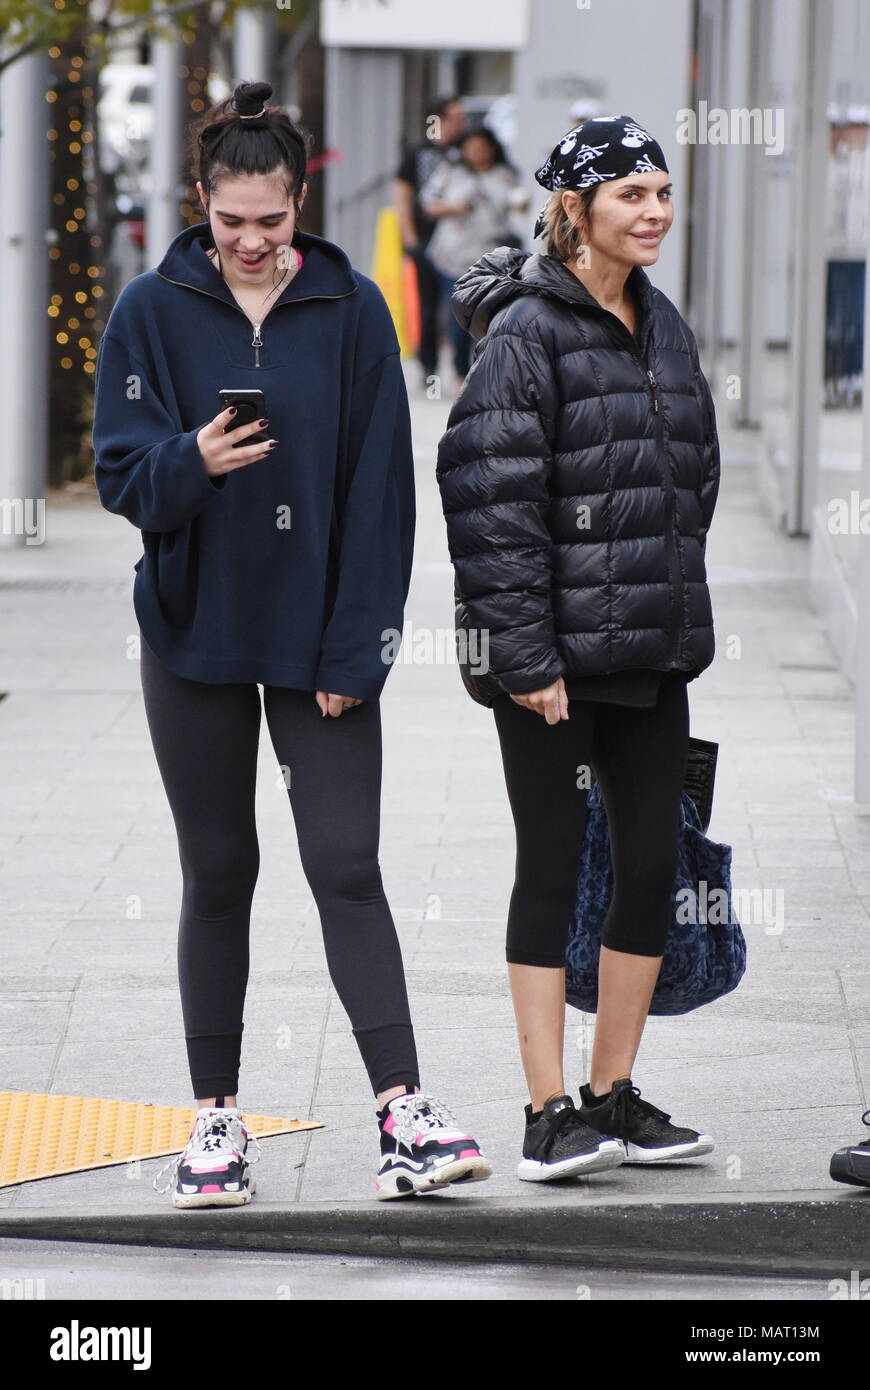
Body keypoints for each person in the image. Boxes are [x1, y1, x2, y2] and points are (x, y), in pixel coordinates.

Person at [92, 79, 491, 1206]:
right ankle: (215, 1123)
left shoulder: (354, 309)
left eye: (271, 219)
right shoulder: (148, 310)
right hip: (194, 633)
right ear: (202, 202)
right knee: (219, 872)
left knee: (347, 863)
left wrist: (359, 651)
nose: (253, 241)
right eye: (232, 222)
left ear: (299, 202)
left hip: (320, 643)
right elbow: (123, 473)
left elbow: (381, 496)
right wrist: (193, 461)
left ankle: (403, 1112)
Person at [436, 115, 721, 1182]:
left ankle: (613, 1095)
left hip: (648, 649)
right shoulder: (526, 330)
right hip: (550, 663)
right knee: (552, 869)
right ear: (577, 209)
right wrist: (526, 655)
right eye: (631, 195)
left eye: (662, 192)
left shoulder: (663, 322)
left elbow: (695, 474)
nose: (655, 212)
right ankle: (546, 1111)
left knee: (649, 868)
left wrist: (669, 604)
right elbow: (489, 496)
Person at [419, 126, 525, 390]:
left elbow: (519, 208)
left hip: (492, 257)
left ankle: (485, 373)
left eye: (482, 147)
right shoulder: (450, 172)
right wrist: (454, 207)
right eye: (471, 148)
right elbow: (428, 204)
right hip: (453, 256)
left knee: (489, 316)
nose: (477, 153)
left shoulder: (506, 175)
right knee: (458, 315)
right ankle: (460, 373)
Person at [393, 96, 465, 389]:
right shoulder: (417, 152)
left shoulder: (463, 151)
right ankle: (428, 366)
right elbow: (402, 195)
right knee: (427, 304)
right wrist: (410, 237)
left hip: (458, 244)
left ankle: (461, 369)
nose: (461, 124)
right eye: (456, 118)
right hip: (425, 239)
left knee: (458, 302)